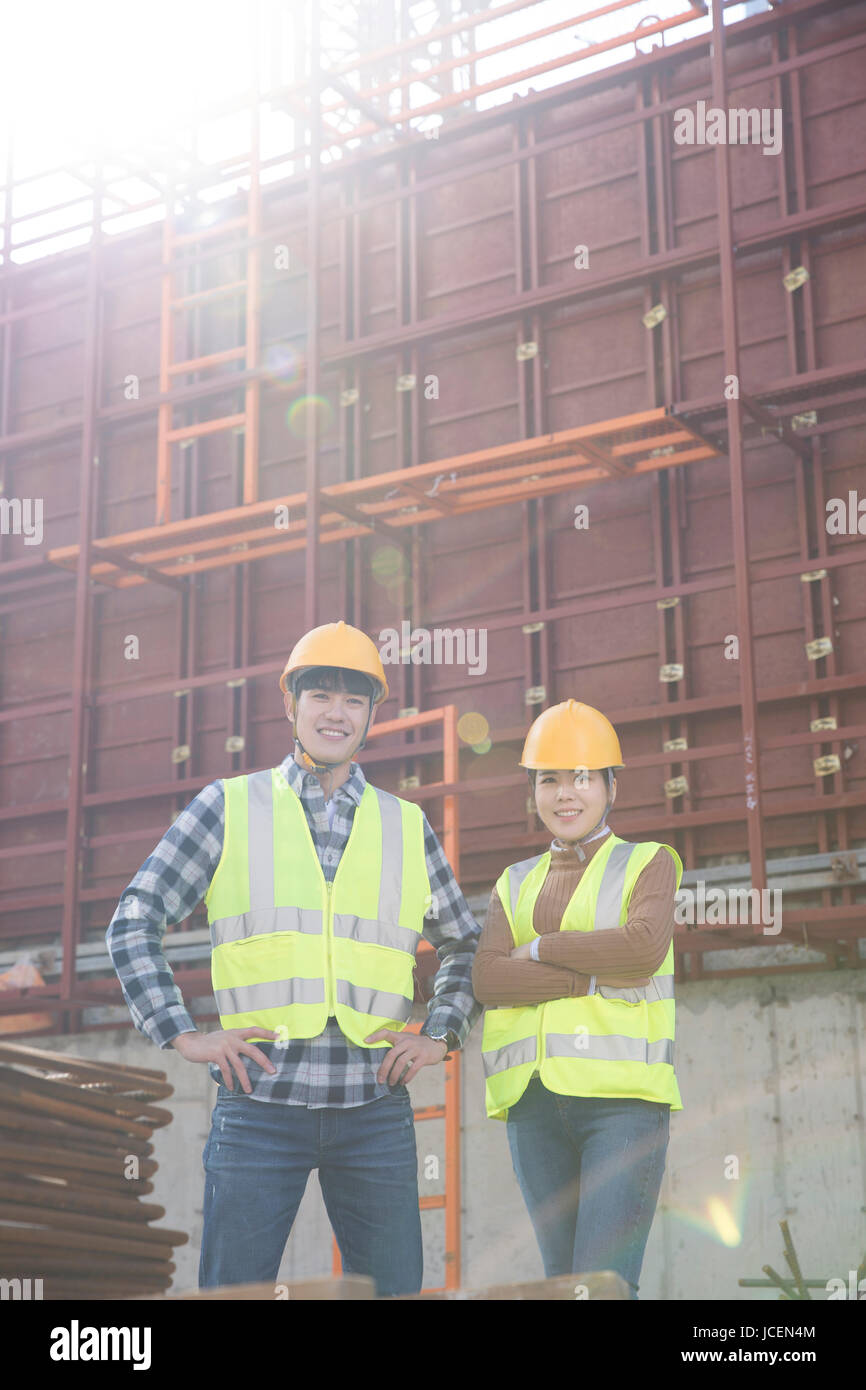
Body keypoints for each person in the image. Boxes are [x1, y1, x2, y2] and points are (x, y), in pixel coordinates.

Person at [107, 620, 482, 1297]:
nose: (335, 713)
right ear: (291, 705)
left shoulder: (405, 825)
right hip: (260, 1106)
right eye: (320, 695)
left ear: (372, 714)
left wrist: (440, 1033)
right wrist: (182, 1032)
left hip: (373, 1106)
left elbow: (463, 941)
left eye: (352, 699)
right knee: (233, 1293)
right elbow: (134, 920)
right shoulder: (227, 806)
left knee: (394, 1292)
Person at [471, 699, 683, 1299]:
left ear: (611, 786)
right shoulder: (513, 881)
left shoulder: (650, 863)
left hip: (622, 1106)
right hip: (533, 1108)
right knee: (562, 1288)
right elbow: (488, 980)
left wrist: (538, 950)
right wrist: (586, 977)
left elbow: (640, 951)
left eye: (583, 777)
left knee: (602, 1288)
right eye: (549, 780)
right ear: (533, 790)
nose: (566, 794)